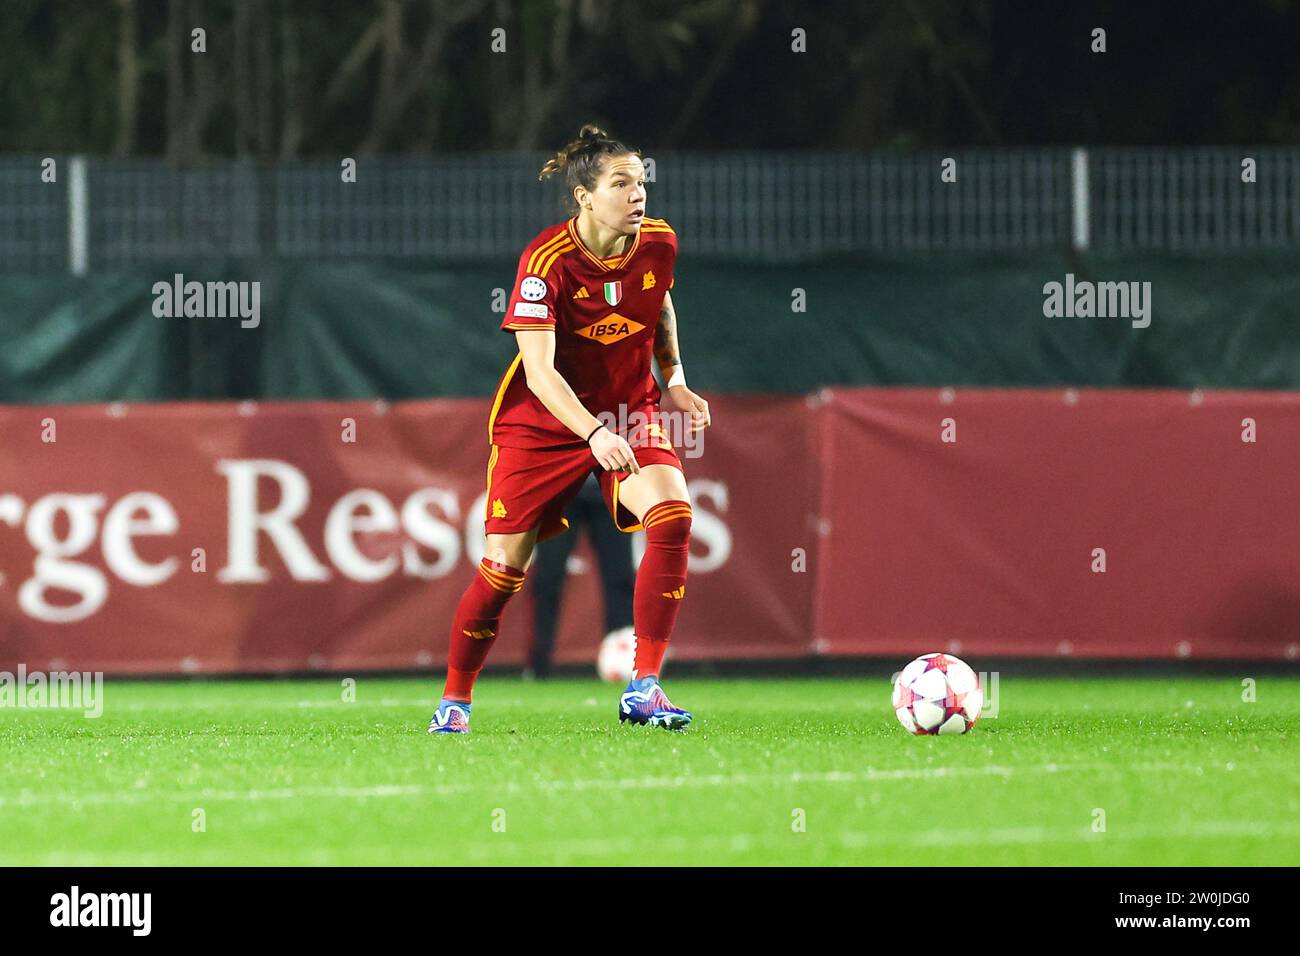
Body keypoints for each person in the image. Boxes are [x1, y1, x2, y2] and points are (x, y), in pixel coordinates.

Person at [427, 124, 711, 734]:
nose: (638, 195)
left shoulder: (659, 243)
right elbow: (540, 372)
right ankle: (455, 701)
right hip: (544, 424)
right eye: (621, 183)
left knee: (675, 515)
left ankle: (645, 687)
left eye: (641, 182)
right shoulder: (546, 261)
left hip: (629, 410)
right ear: (585, 196)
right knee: (503, 572)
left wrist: (676, 378)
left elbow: (659, 303)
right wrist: (592, 434)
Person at [526, 474, 635, 680]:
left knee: (620, 577)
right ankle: (538, 666)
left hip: (609, 486)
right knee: (547, 579)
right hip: (561, 487)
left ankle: (628, 662)